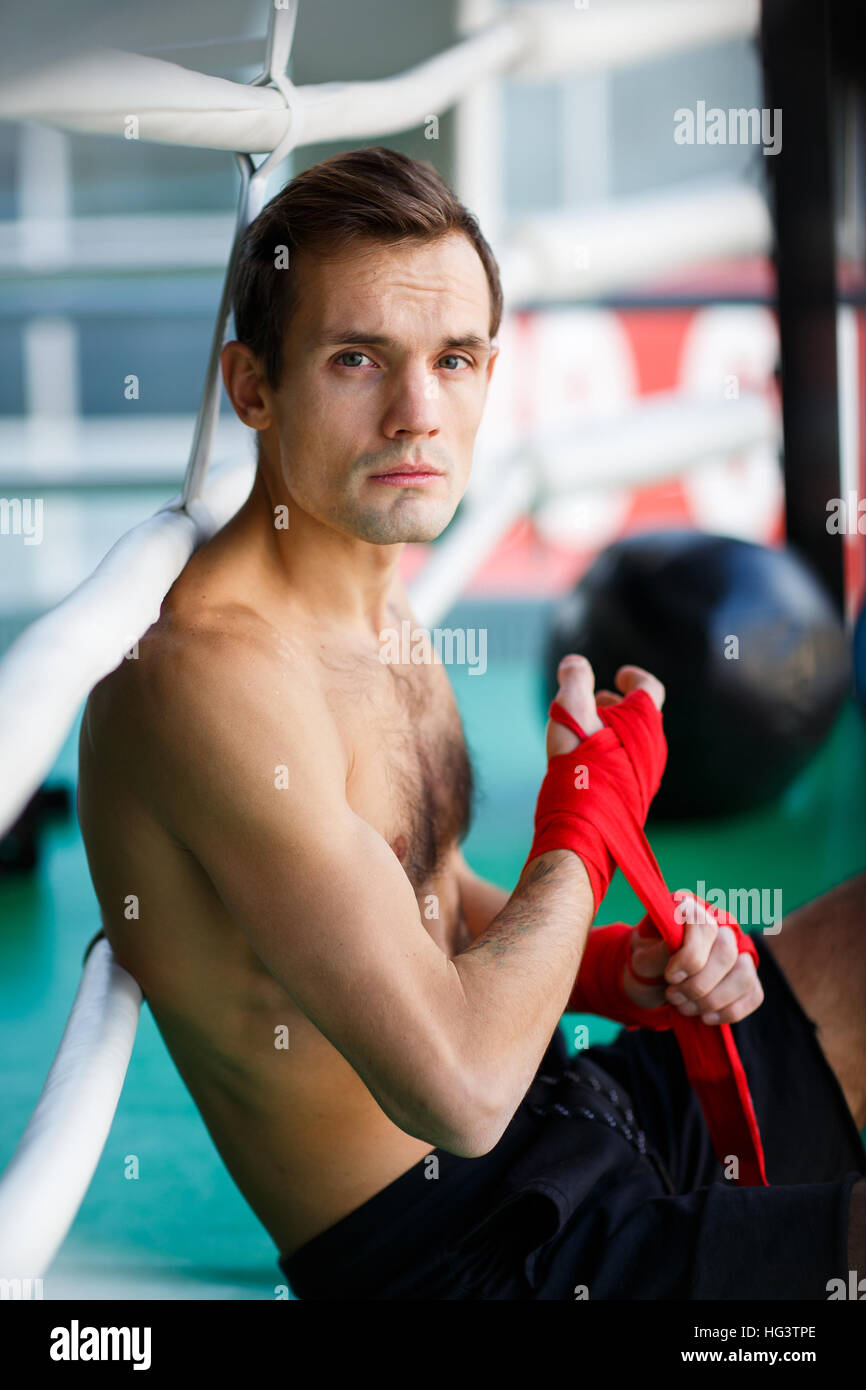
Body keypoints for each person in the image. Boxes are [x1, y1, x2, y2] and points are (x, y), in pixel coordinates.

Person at [77, 146, 866, 1300]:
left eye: (452, 361)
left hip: (575, 1115)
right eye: (358, 360)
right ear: (254, 387)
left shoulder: (375, 599)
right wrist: (581, 832)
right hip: (475, 1262)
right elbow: (456, 1086)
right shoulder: (211, 684)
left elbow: (428, 905)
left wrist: (608, 972)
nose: (416, 412)